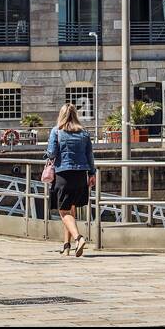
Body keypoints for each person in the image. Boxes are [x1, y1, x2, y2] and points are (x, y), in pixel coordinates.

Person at [45, 102, 96, 257]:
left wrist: (46, 155)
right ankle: (66, 247)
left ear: (61, 115)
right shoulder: (84, 133)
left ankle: (78, 238)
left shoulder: (57, 131)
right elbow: (90, 156)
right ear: (76, 115)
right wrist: (92, 174)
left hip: (64, 175)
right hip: (81, 175)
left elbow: (52, 153)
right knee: (71, 209)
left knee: (63, 211)